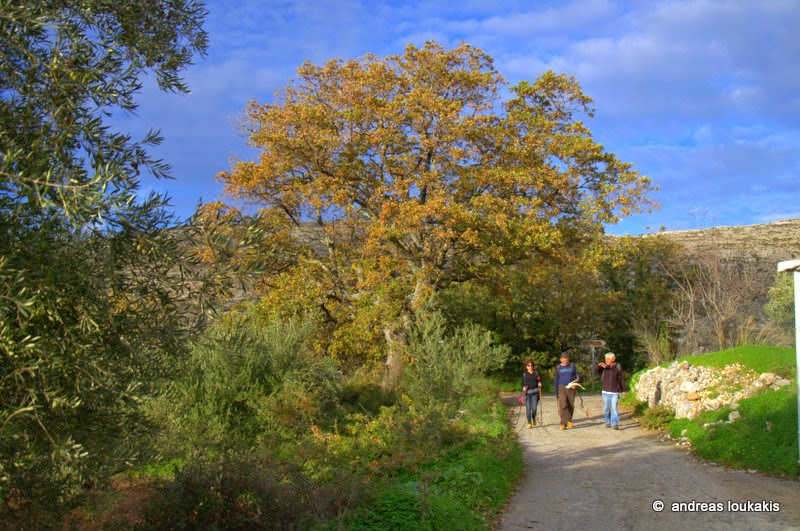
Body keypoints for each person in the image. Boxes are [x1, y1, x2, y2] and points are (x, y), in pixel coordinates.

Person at [596, 352, 626, 429]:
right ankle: (607, 421)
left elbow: (622, 378)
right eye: (606, 359)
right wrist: (599, 366)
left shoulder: (618, 367)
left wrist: (624, 389)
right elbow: (596, 370)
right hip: (605, 391)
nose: (606, 360)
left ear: (613, 359)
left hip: (615, 391)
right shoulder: (604, 367)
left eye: (608, 359)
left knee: (614, 408)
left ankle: (614, 423)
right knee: (606, 408)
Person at [554, 351, 580, 430]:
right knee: (563, 405)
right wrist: (556, 392)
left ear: (568, 359)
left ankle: (569, 420)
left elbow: (577, 377)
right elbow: (556, 380)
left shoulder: (572, 366)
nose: (565, 362)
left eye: (566, 360)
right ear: (560, 360)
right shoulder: (558, 368)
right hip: (561, 387)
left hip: (571, 387)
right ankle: (563, 423)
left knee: (570, 405)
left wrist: (575, 385)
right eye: (563, 360)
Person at [521, 360, 543, 429]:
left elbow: (540, 380)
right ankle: (529, 423)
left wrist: (540, 383)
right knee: (528, 408)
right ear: (526, 367)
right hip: (527, 393)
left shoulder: (536, 373)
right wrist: (523, 387)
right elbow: (522, 383)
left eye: (531, 365)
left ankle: (533, 417)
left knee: (534, 408)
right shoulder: (524, 374)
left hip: (535, 392)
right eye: (529, 366)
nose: (530, 367)